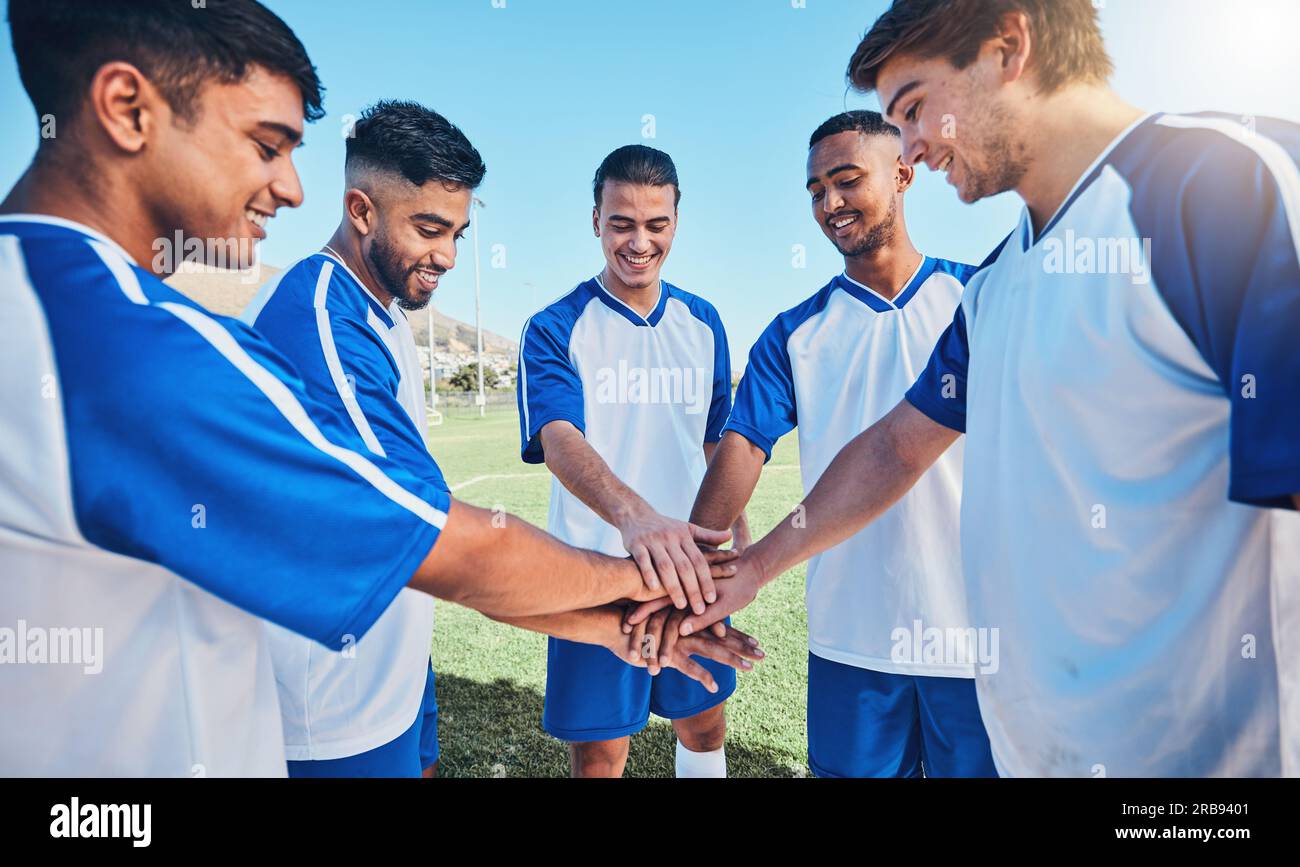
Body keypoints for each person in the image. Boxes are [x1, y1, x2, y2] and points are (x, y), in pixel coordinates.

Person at [0, 0, 758, 777]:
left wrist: (614, 617)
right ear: (126, 109)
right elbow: (436, 544)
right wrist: (655, 584)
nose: (292, 188)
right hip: (328, 713)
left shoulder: (349, 313)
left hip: (382, 671)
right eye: (266, 144)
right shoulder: (135, 335)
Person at [632, 0, 1300, 777]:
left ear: (1008, 46)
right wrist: (741, 571)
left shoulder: (1228, 184)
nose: (911, 141)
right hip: (1040, 745)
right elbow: (894, 447)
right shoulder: (997, 286)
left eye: (915, 108)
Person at [679, 110, 994, 777]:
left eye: (846, 180)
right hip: (852, 641)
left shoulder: (980, 300)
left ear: (904, 174)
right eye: (816, 191)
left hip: (978, 640)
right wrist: (696, 586)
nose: (830, 203)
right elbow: (741, 450)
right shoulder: (795, 332)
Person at [516, 145, 749, 777]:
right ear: (596, 221)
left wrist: (739, 549)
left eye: (656, 224)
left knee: (704, 723)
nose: (638, 241)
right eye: (621, 223)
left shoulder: (705, 322)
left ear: (676, 222)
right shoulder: (554, 326)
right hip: (594, 572)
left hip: (693, 575)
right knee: (600, 753)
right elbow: (561, 442)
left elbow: (716, 444)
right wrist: (635, 520)